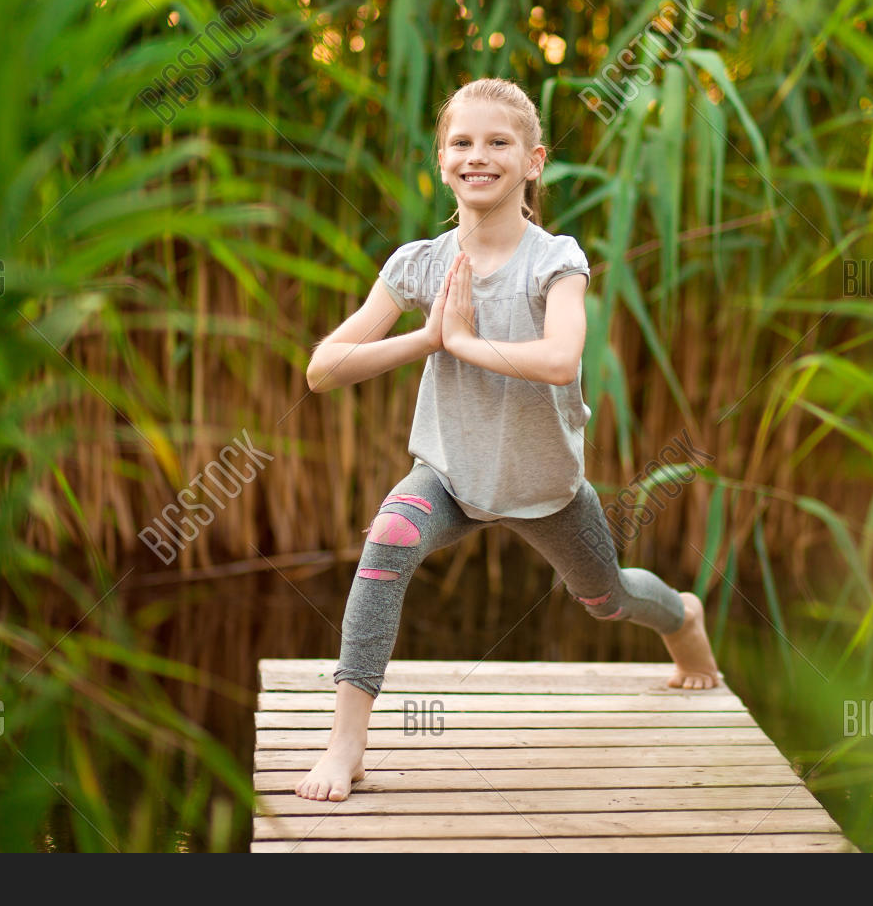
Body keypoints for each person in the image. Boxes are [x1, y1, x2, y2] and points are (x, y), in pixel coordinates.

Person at [297, 77, 719, 801]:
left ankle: (682, 616)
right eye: (461, 142)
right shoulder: (418, 265)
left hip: (545, 490)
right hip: (450, 479)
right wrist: (428, 336)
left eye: (498, 142)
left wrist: (461, 342)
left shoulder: (555, 260)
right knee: (388, 539)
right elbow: (322, 370)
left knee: (606, 599)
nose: (477, 156)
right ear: (440, 161)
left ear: (533, 161)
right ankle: (346, 744)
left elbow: (559, 361)